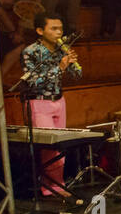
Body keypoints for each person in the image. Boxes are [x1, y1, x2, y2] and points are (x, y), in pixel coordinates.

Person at [20, 11, 82, 196]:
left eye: (60, 29)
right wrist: (60, 67)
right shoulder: (30, 52)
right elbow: (32, 81)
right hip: (39, 102)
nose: (58, 33)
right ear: (40, 30)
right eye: (53, 28)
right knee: (49, 149)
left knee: (59, 146)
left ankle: (55, 186)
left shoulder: (61, 49)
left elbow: (77, 75)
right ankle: (53, 188)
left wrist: (71, 63)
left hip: (58, 101)